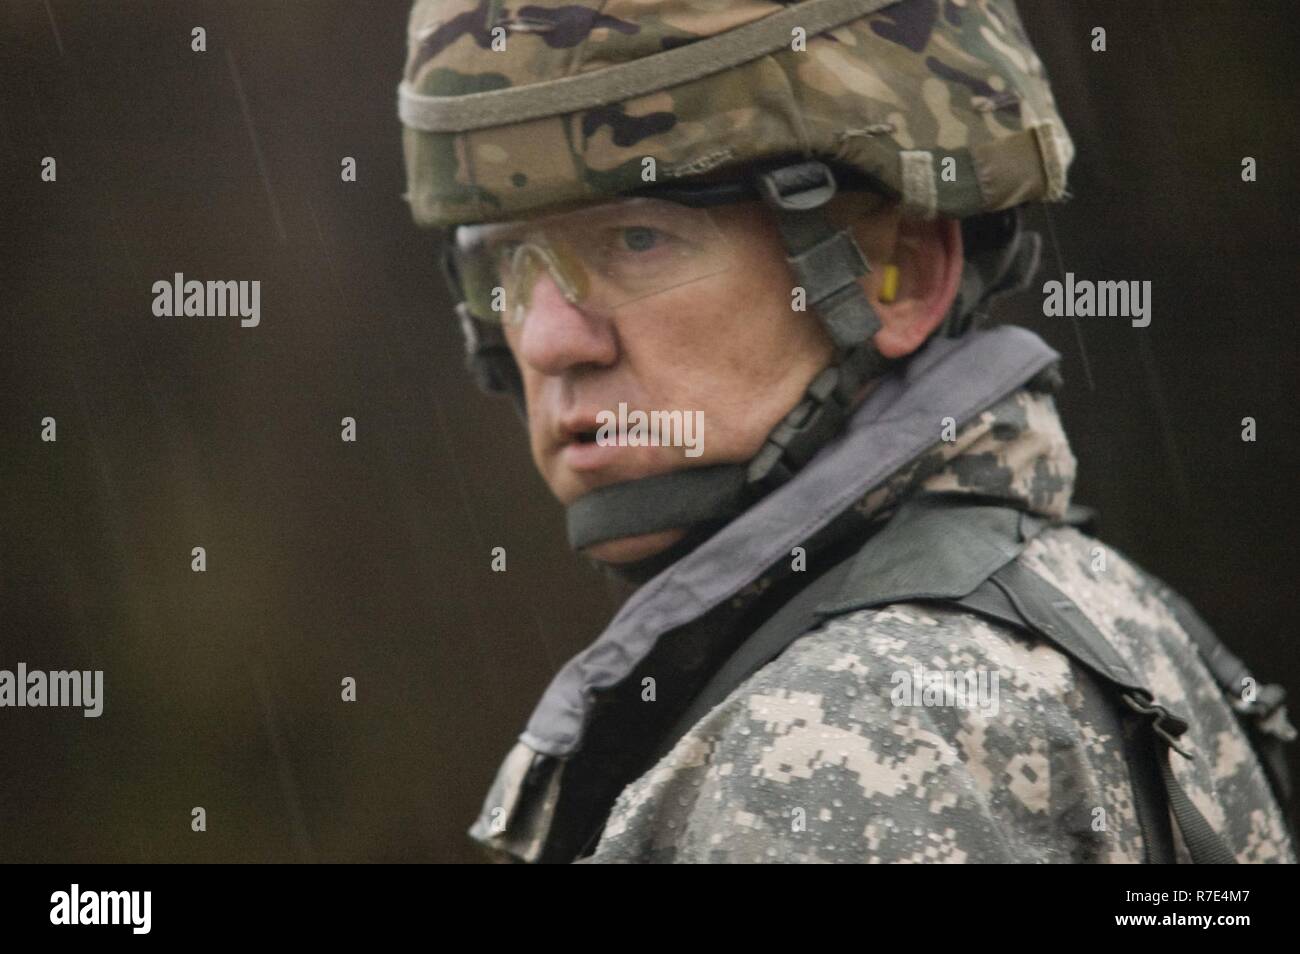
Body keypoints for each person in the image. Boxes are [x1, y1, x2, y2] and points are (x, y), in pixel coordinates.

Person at [397, 0, 1296, 863]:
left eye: (638, 240)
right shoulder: (1109, 611)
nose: (549, 338)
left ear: (896, 271)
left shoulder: (831, 743)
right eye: (507, 262)